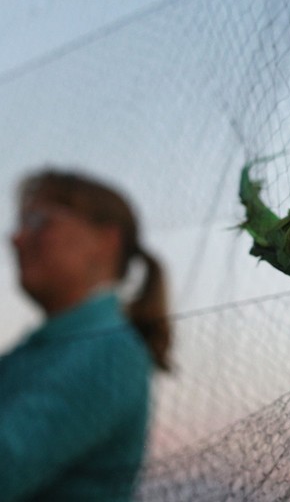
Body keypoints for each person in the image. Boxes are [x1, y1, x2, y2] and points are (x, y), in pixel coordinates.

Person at [0, 169, 173, 501]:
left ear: (105, 242)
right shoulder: (39, 349)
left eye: (38, 221)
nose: (16, 238)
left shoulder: (111, 352)